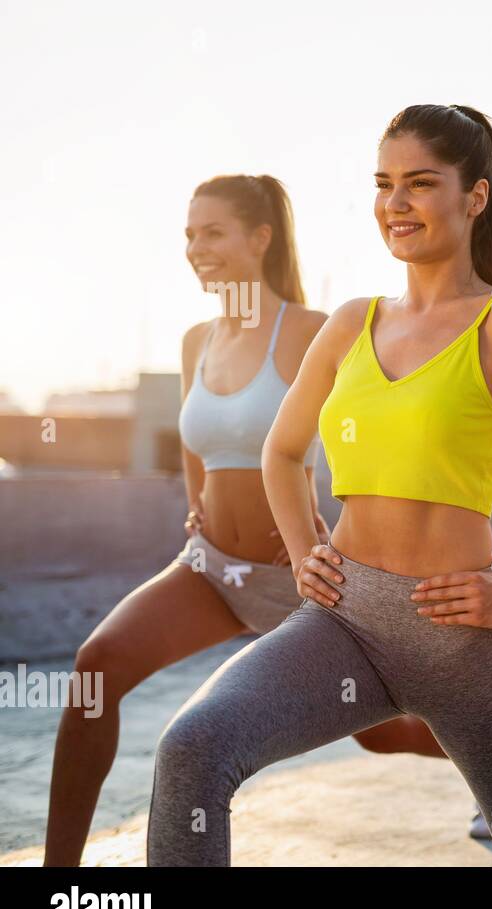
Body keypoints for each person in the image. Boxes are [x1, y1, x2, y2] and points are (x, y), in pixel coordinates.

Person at [145, 104, 492, 866]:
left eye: (418, 184)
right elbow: (283, 453)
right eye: (383, 184)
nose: (394, 204)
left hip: (464, 641)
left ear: (474, 197)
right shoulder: (350, 324)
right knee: (192, 749)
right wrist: (308, 551)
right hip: (343, 621)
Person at [43, 174, 330, 866]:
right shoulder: (196, 338)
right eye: (189, 235)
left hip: (296, 579)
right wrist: (198, 506)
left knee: (389, 728)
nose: (196, 248)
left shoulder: (312, 332)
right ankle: (59, 879)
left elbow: (377, 435)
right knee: (96, 668)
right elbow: (198, 439)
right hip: (208, 569)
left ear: (260, 238)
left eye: (213, 232)